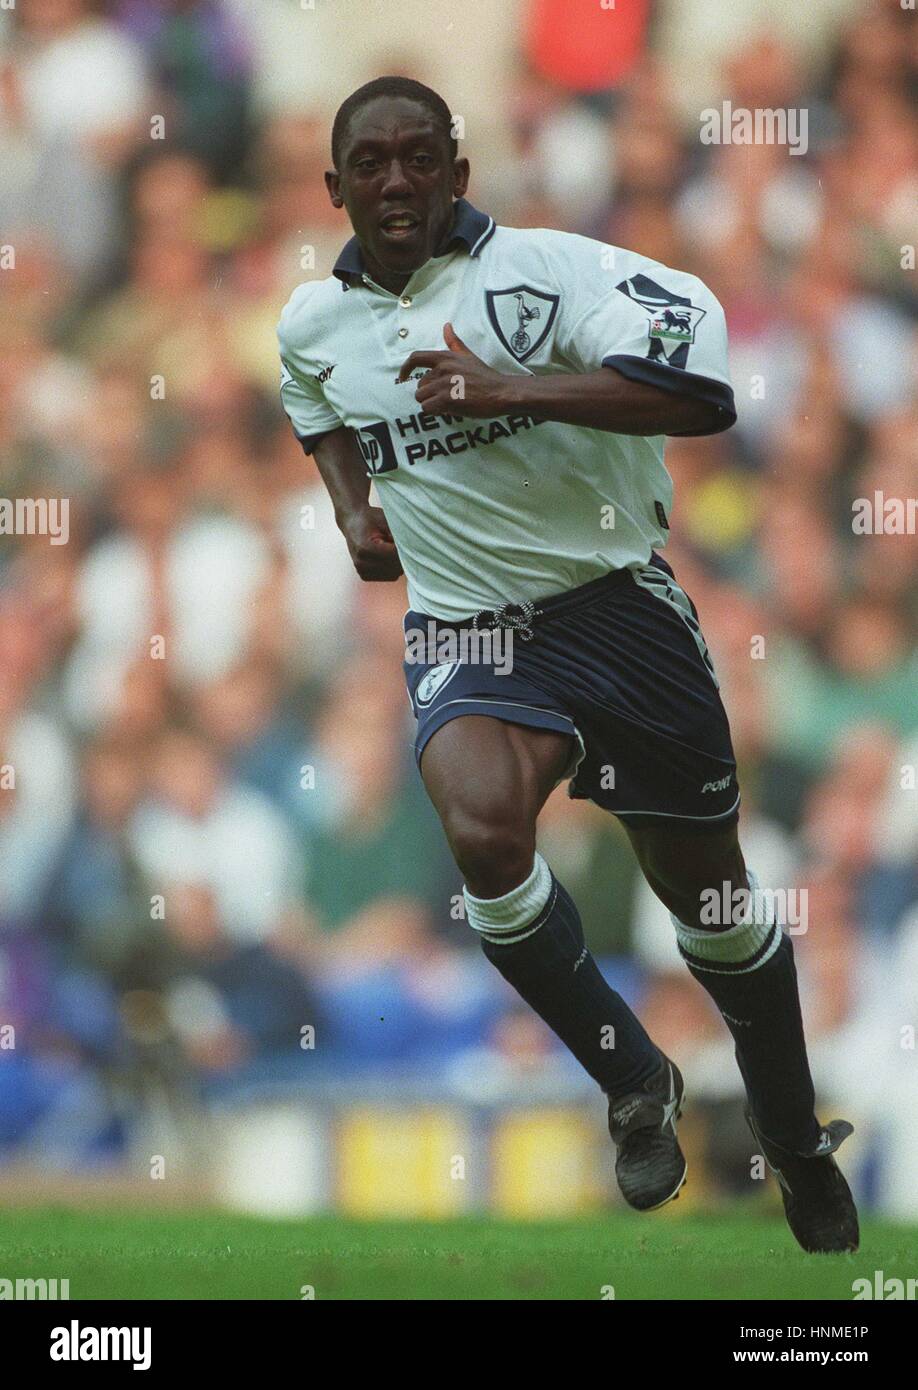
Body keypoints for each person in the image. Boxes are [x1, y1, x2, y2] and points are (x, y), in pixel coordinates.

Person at [276, 76, 858, 1252]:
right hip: (468, 625)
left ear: (460, 170)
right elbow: (310, 402)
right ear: (334, 189)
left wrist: (511, 387)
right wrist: (349, 513)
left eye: (420, 157)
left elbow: (701, 397)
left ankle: (792, 1138)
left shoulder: (551, 275)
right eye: (371, 164)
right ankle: (635, 1080)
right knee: (485, 835)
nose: (397, 181)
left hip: (618, 611)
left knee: (717, 908)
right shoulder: (309, 323)